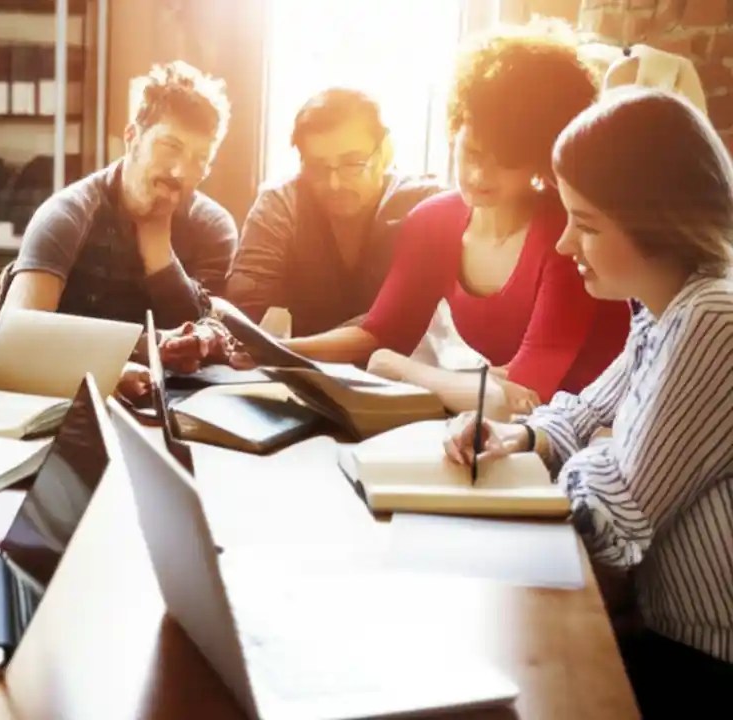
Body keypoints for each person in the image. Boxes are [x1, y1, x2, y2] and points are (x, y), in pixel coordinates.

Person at [443, 88, 733, 715]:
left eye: (588, 224)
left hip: (706, 661)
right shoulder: (666, 309)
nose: (566, 243)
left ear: (659, 223)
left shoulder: (714, 317)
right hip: (669, 633)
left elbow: (617, 515)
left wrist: (589, 457)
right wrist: (519, 438)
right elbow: (583, 412)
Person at [279, 25, 630, 418]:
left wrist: (398, 368)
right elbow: (379, 334)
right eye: (473, 153)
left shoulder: (567, 239)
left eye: (507, 163)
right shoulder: (433, 222)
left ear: (539, 158)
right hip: (499, 429)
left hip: (591, 433)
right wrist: (273, 352)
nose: (480, 177)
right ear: (454, 130)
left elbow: (526, 394)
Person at [0, 60, 239, 377]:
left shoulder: (213, 227)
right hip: (73, 393)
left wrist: (161, 258)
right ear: (132, 136)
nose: (181, 171)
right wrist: (135, 354)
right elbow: (17, 339)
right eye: (170, 147)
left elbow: (215, 329)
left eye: (200, 159)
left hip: (182, 403)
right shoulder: (69, 214)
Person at [227, 88, 441, 335]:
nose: (334, 183)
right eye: (318, 167)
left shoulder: (424, 204)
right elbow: (247, 310)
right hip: (290, 369)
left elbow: (417, 315)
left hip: (397, 370)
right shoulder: (282, 203)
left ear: (385, 152)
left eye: (352, 164)